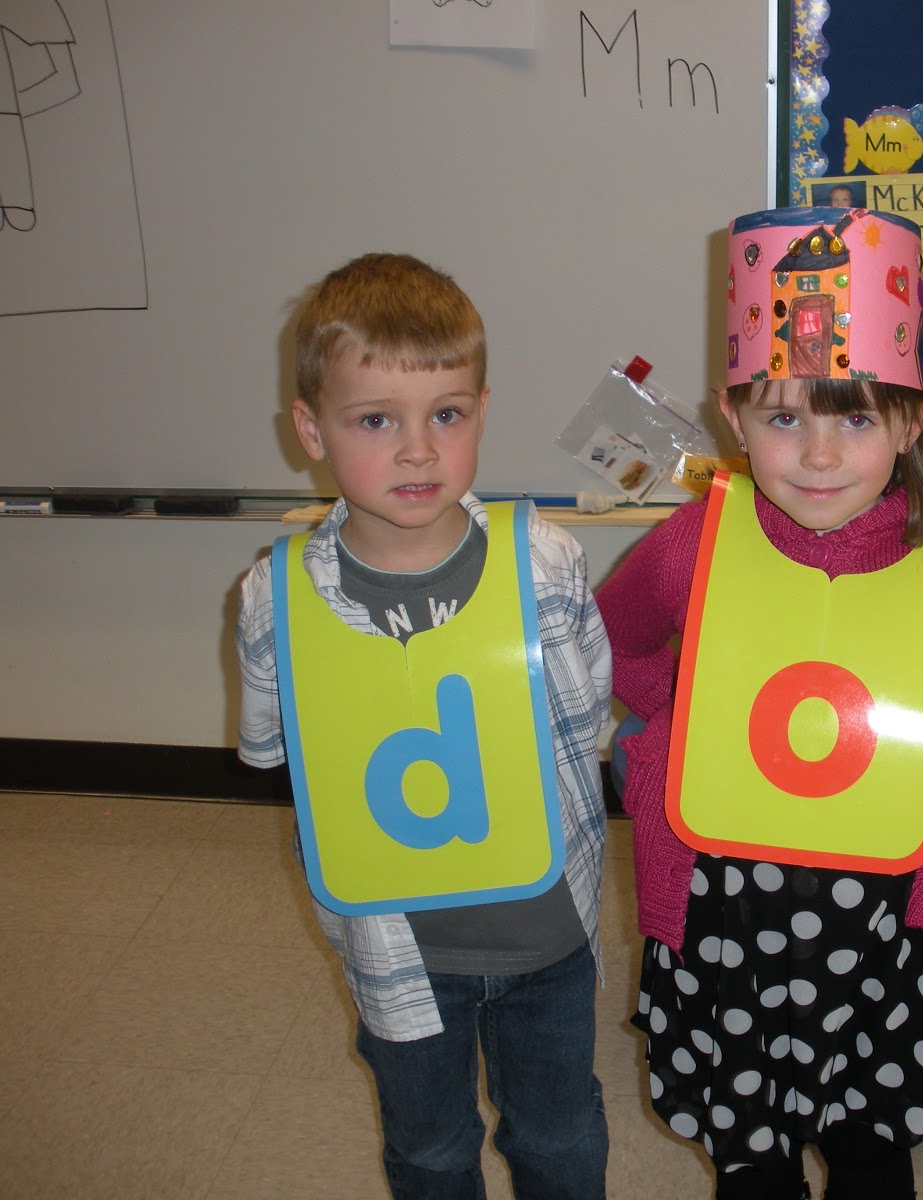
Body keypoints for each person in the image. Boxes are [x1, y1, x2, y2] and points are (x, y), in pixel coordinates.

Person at [598, 207, 923, 1200]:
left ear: (910, 421)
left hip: (886, 921)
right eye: (783, 417)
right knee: (751, 1164)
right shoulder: (692, 550)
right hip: (727, 913)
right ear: (734, 418)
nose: (816, 455)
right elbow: (609, 640)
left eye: (854, 417)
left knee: (868, 1156)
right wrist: (684, 721)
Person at [235, 252, 612, 1200]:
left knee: (561, 1138)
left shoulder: (547, 563)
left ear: (483, 409)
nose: (417, 450)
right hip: (397, 948)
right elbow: (276, 750)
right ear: (310, 431)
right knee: (431, 1149)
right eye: (375, 421)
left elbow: (586, 715)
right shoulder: (273, 598)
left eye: (446, 415)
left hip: (547, 933)